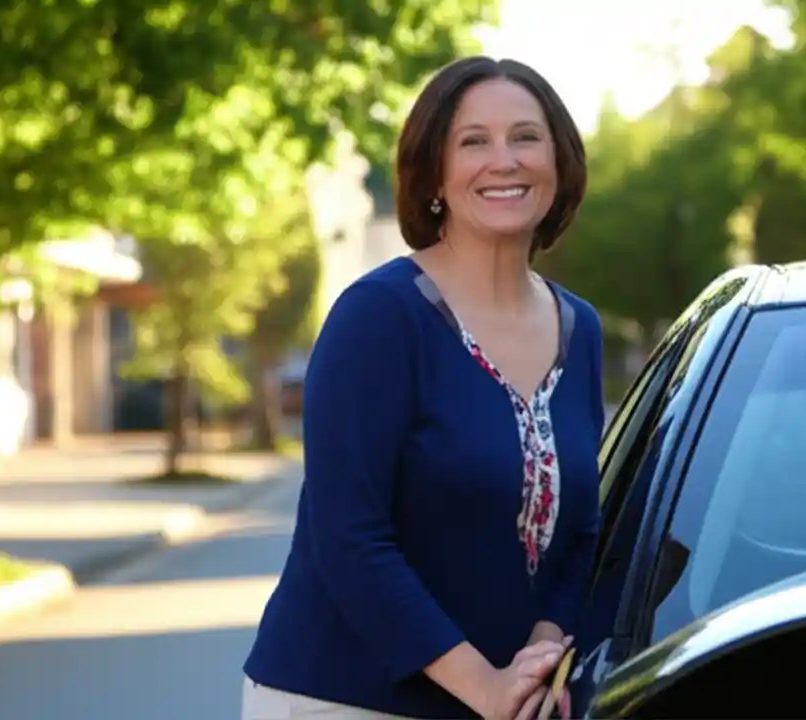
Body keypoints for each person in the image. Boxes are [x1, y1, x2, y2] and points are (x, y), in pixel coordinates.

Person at [242, 55, 604, 720]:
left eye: (526, 137)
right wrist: (485, 688)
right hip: (344, 699)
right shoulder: (379, 317)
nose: (505, 161)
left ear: (559, 161)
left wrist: (544, 647)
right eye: (474, 141)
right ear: (435, 171)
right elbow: (349, 539)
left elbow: (580, 533)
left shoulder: (580, 330)